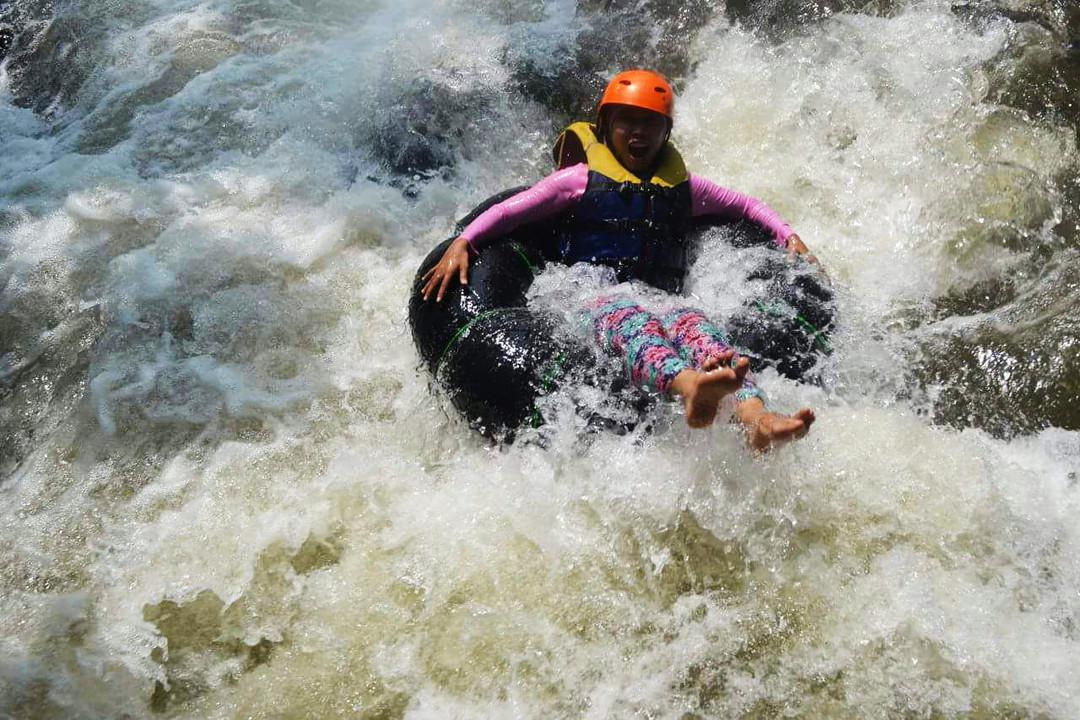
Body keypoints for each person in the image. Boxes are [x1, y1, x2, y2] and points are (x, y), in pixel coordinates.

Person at [420, 69, 816, 451]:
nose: (638, 133)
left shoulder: (684, 189)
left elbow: (744, 204)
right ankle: (689, 386)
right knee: (636, 325)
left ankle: (756, 419)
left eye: (650, 124)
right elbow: (511, 212)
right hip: (594, 293)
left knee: (703, 333)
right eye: (627, 121)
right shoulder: (576, 180)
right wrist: (465, 241)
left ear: (666, 132)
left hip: (663, 297)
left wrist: (788, 234)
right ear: (606, 125)